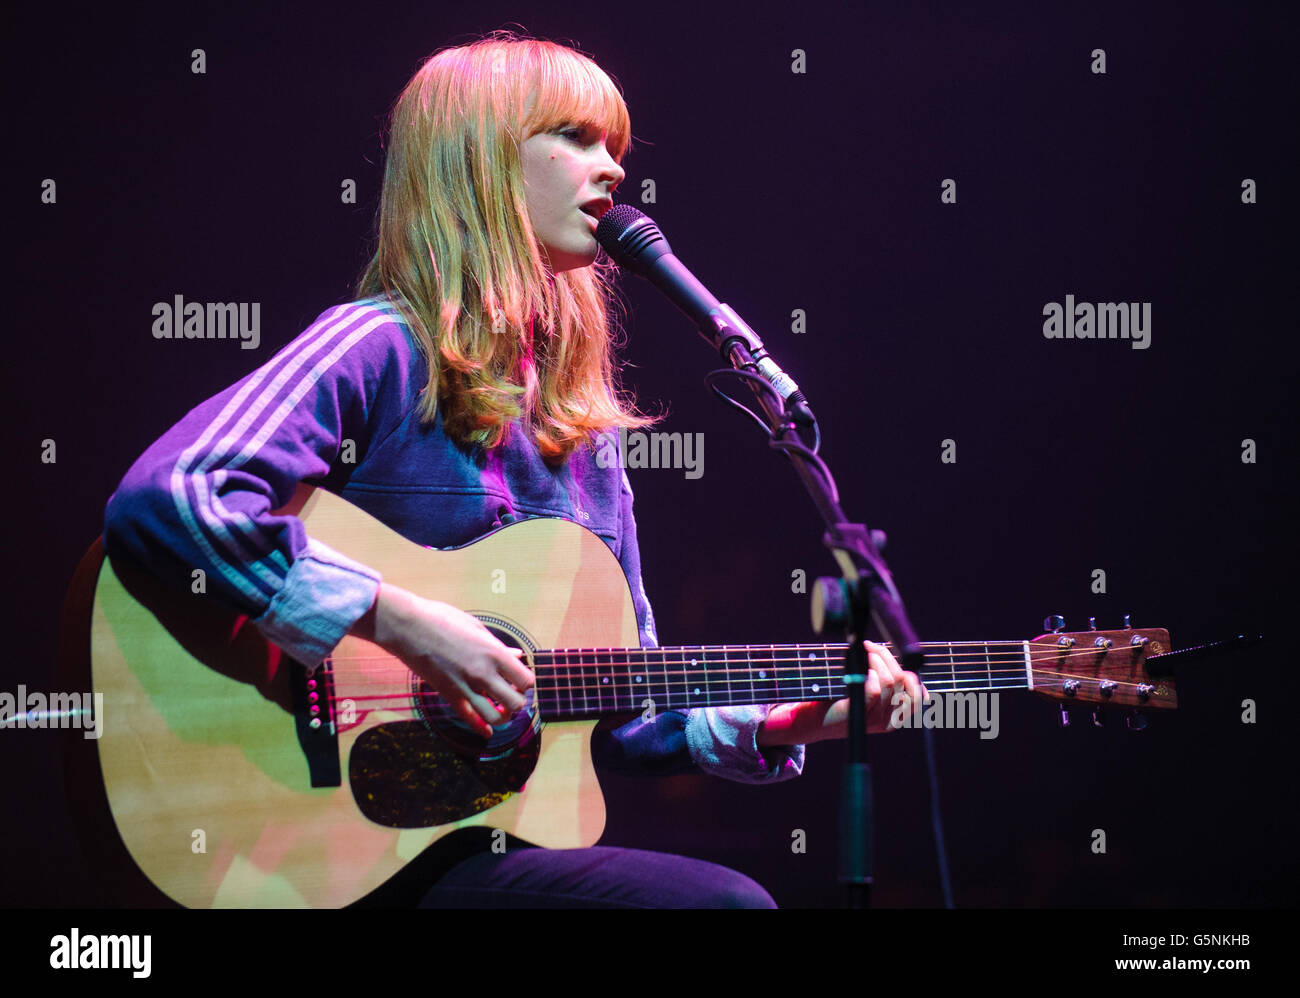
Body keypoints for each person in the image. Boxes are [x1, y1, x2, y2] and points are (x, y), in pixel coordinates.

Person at [102, 30, 923, 908]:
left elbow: (625, 711)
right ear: (479, 162)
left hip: (457, 843)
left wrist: (784, 719)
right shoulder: (379, 345)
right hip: (294, 837)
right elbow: (174, 497)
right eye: (575, 138)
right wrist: (403, 623)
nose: (611, 170)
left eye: (616, 147)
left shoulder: (586, 436)